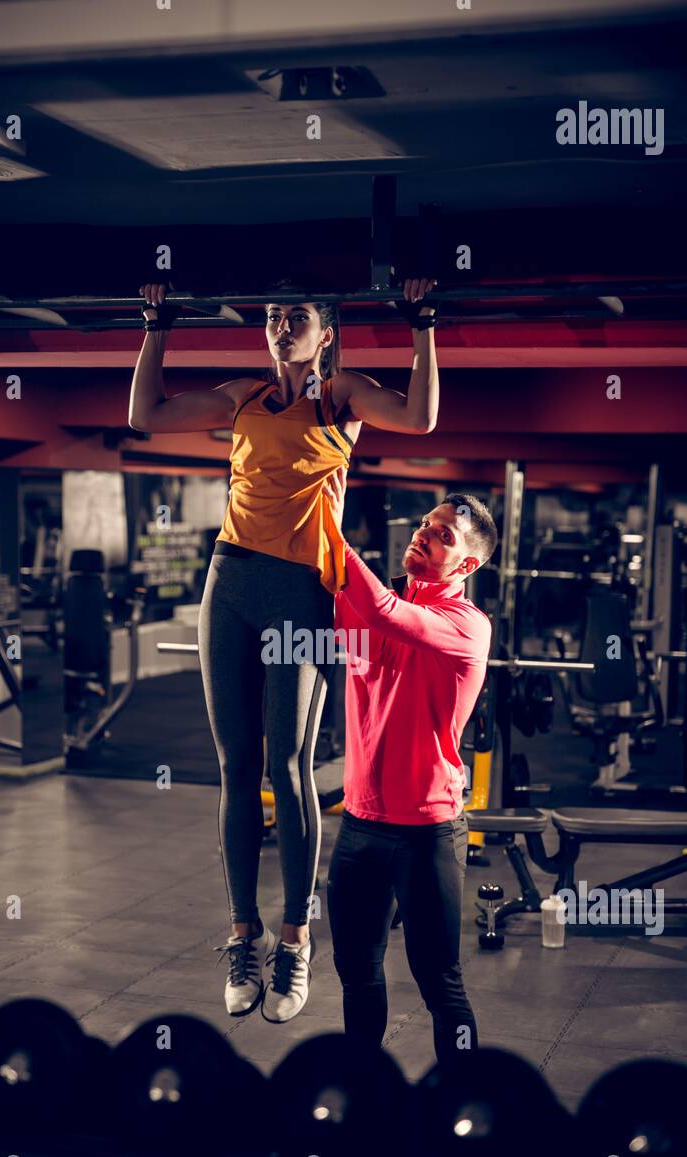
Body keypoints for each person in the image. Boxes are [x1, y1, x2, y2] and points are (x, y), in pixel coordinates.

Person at [129, 277, 439, 1021]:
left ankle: (295, 941)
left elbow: (421, 418)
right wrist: (158, 325)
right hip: (228, 581)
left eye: (295, 317)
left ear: (324, 332)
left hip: (303, 590)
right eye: (272, 317)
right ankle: (243, 934)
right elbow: (143, 414)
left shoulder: (341, 397)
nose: (279, 327)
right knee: (236, 767)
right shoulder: (241, 395)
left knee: (288, 766)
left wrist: (421, 324)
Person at [322, 484, 496, 1073]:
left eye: (443, 534)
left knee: (440, 983)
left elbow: (385, 612)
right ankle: (360, 1089)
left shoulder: (468, 625)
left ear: (468, 564)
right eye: (425, 522)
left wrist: (327, 521)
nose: (423, 533)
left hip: (427, 831)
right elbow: (349, 605)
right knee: (356, 970)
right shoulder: (387, 603)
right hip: (360, 825)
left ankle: (463, 1099)